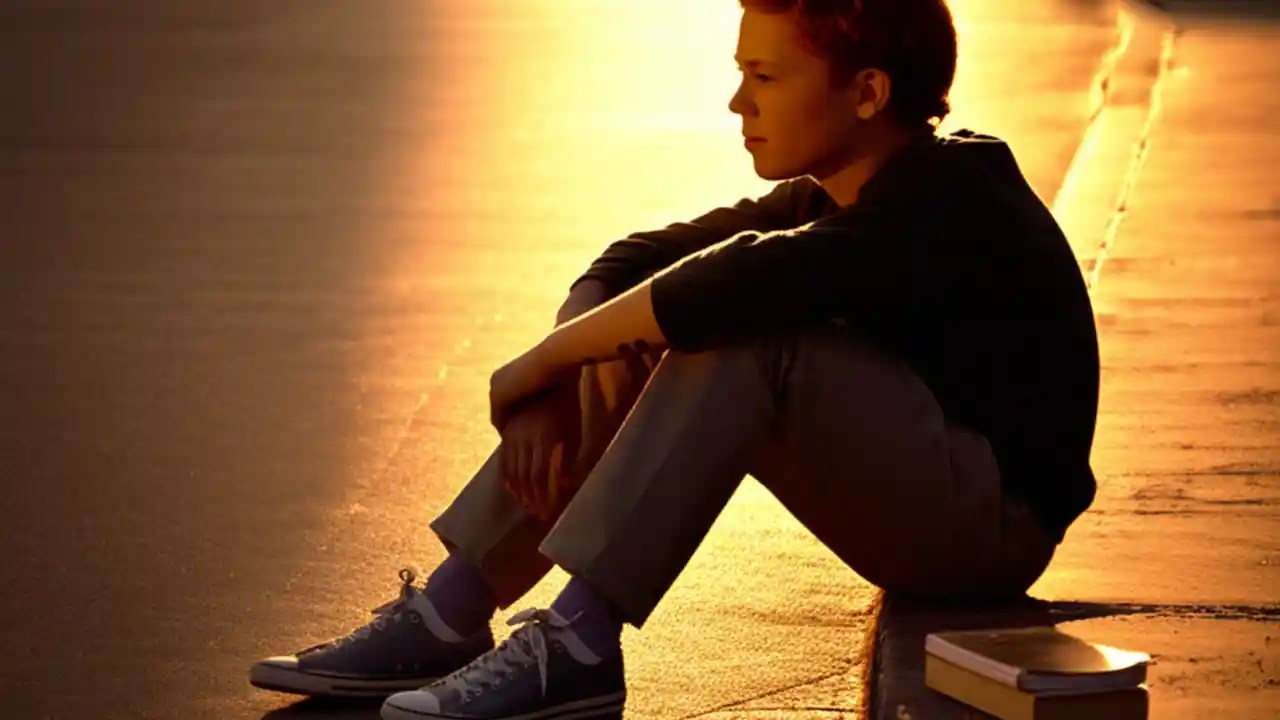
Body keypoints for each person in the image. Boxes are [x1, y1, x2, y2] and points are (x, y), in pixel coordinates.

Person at [250, 0, 1100, 718]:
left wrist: (531, 370)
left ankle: (582, 638)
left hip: (988, 530)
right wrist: (557, 369)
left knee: (747, 328)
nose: (738, 103)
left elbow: (722, 288)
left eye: (766, 78)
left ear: (868, 93)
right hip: (925, 498)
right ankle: (452, 611)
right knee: (666, 315)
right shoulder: (843, 189)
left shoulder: (946, 202)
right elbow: (637, 261)